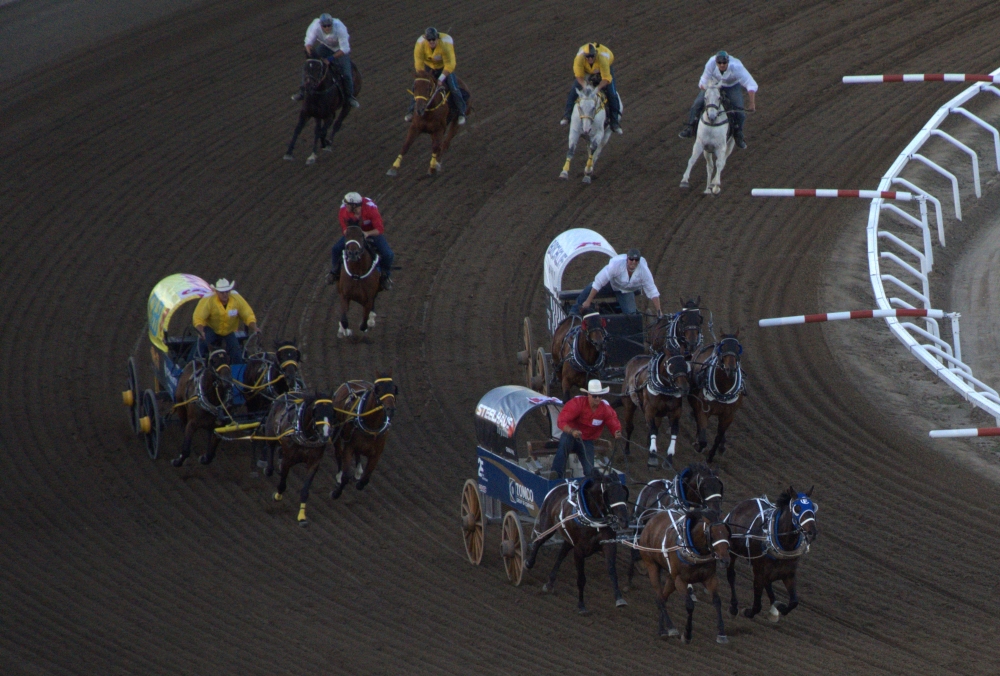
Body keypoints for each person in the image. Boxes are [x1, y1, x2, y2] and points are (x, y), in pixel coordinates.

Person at [678, 50, 757, 149]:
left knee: (740, 111)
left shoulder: (737, 67)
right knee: (697, 103)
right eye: (719, 63)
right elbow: (703, 80)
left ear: (728, 62)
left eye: (724, 63)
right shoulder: (710, 63)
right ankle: (690, 127)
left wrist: (752, 103)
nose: (722, 65)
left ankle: (738, 134)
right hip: (713, 84)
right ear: (716, 62)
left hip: (731, 86)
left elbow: (750, 83)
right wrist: (709, 89)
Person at [552, 380, 623, 479]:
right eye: (595, 396)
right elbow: (561, 420)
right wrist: (572, 431)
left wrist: (616, 431)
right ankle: (556, 475)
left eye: (600, 396)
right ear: (588, 395)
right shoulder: (577, 404)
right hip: (571, 436)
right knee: (563, 446)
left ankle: (589, 484)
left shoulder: (605, 409)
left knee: (590, 469)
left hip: (587, 440)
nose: (598, 398)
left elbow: (613, 420)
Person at [329, 192, 395, 290]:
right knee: (335, 249)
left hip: (370, 232)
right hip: (354, 234)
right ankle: (335, 272)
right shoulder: (343, 210)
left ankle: (385, 276)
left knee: (388, 254)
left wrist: (367, 234)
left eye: (347, 204)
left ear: (354, 206)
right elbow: (344, 229)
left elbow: (379, 229)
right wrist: (352, 234)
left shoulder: (370, 209)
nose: (345, 205)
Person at [292, 13, 359, 109]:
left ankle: (349, 97)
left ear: (332, 24)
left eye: (329, 25)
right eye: (324, 26)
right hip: (325, 47)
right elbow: (308, 43)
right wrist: (311, 55)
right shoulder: (315, 26)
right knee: (309, 65)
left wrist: (330, 59)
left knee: (346, 73)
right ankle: (302, 91)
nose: (327, 28)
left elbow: (344, 49)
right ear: (321, 25)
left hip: (339, 50)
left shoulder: (340, 28)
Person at [571, 248, 662, 317]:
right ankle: (573, 314)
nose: (633, 262)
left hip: (626, 291)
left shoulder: (644, 270)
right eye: (631, 259)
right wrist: (588, 301)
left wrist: (659, 311)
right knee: (590, 287)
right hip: (610, 284)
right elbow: (599, 282)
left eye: (636, 260)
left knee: (632, 316)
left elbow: (652, 290)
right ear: (627, 259)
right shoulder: (616, 264)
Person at [404, 27, 466, 125]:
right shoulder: (420, 44)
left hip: (444, 67)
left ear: (437, 38)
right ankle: (411, 111)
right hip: (429, 67)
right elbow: (419, 64)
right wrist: (422, 76)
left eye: (434, 39)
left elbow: (450, 64)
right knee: (417, 87)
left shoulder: (445, 44)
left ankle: (461, 112)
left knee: (454, 88)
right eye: (429, 40)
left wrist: (441, 78)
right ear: (426, 39)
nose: (432, 42)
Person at [192, 279, 258, 365]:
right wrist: (201, 331)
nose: (225, 294)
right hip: (211, 329)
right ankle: (191, 364)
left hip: (228, 331)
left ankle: (237, 372)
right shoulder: (209, 300)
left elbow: (247, 314)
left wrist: (254, 327)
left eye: (227, 292)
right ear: (217, 292)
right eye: (222, 292)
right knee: (201, 346)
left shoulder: (236, 299)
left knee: (236, 352)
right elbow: (198, 317)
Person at [561, 43, 622, 134]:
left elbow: (606, 79)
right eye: (587, 57)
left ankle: (614, 123)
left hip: (604, 69)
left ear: (595, 55)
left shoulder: (602, 59)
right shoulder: (579, 59)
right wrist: (585, 86)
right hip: (586, 70)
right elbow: (579, 76)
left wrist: (597, 89)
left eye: (592, 57)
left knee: (612, 93)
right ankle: (567, 115)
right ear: (584, 56)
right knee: (574, 90)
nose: (590, 59)